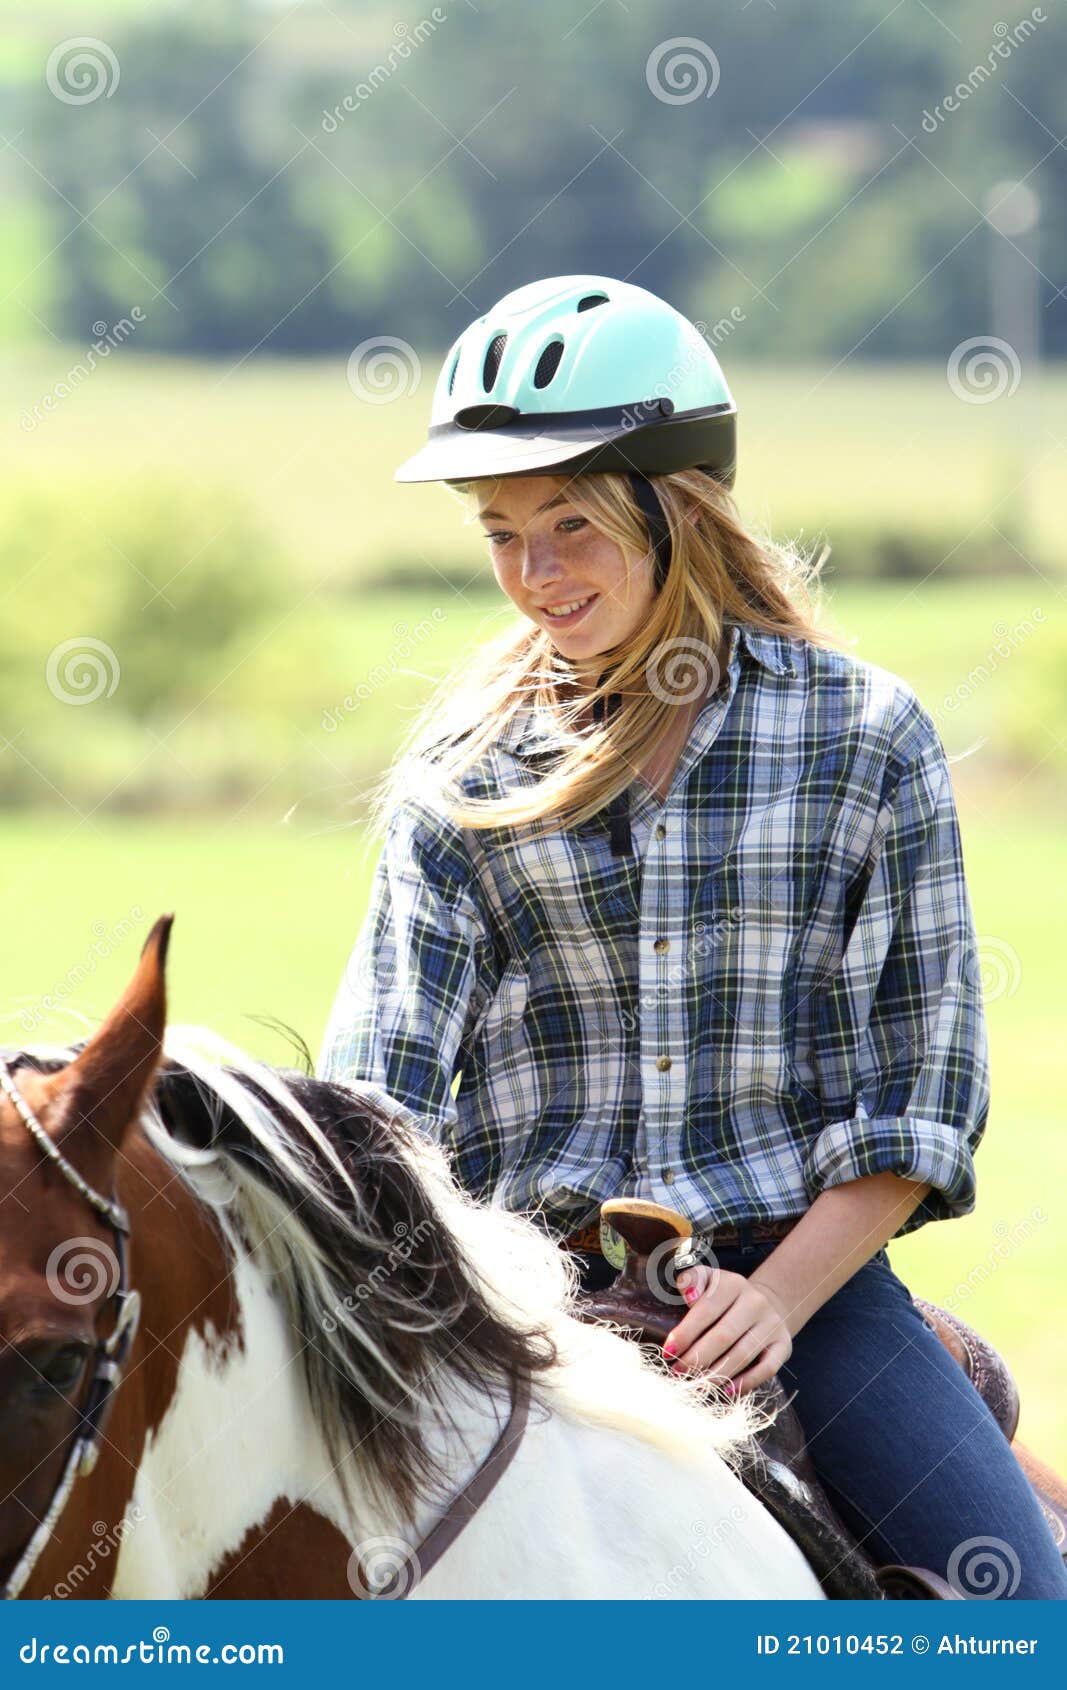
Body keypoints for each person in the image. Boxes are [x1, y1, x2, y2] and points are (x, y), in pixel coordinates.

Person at [317, 274, 1067, 1599]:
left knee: (1017, 1605)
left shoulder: (864, 744)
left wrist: (775, 1298)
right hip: (521, 1308)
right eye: (502, 532)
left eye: (573, 524)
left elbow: (917, 1105)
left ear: (680, 509)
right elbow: (378, 1112)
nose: (536, 575)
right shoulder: (459, 778)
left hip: (812, 1298)